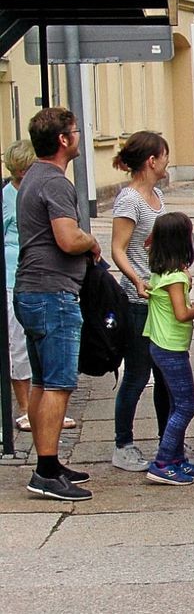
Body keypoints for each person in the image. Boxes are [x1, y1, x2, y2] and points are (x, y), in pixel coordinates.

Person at [15, 108, 100, 501]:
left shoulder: (31, 176)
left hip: (30, 289)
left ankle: (48, 461)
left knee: (42, 380)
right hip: (53, 293)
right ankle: (46, 470)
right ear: (64, 140)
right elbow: (67, 239)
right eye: (75, 131)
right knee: (60, 382)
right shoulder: (55, 182)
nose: (79, 136)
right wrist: (91, 240)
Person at [109, 132, 194, 471]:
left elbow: (158, 242)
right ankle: (123, 444)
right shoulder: (130, 200)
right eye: (165, 156)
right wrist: (137, 280)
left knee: (166, 379)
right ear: (152, 160)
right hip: (139, 300)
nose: (167, 162)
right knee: (137, 374)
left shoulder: (157, 195)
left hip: (159, 296)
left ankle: (171, 443)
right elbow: (118, 248)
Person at [5, 140, 79, 434]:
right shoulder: (12, 195)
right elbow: (66, 238)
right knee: (22, 349)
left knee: (45, 364)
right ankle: (25, 411)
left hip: (32, 280)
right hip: (22, 279)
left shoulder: (36, 188)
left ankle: (46, 430)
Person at [142, 211, 194, 485]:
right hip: (171, 348)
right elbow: (181, 313)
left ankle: (177, 460)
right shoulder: (176, 279)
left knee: (175, 405)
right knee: (186, 406)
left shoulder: (162, 274)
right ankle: (163, 461)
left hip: (161, 346)